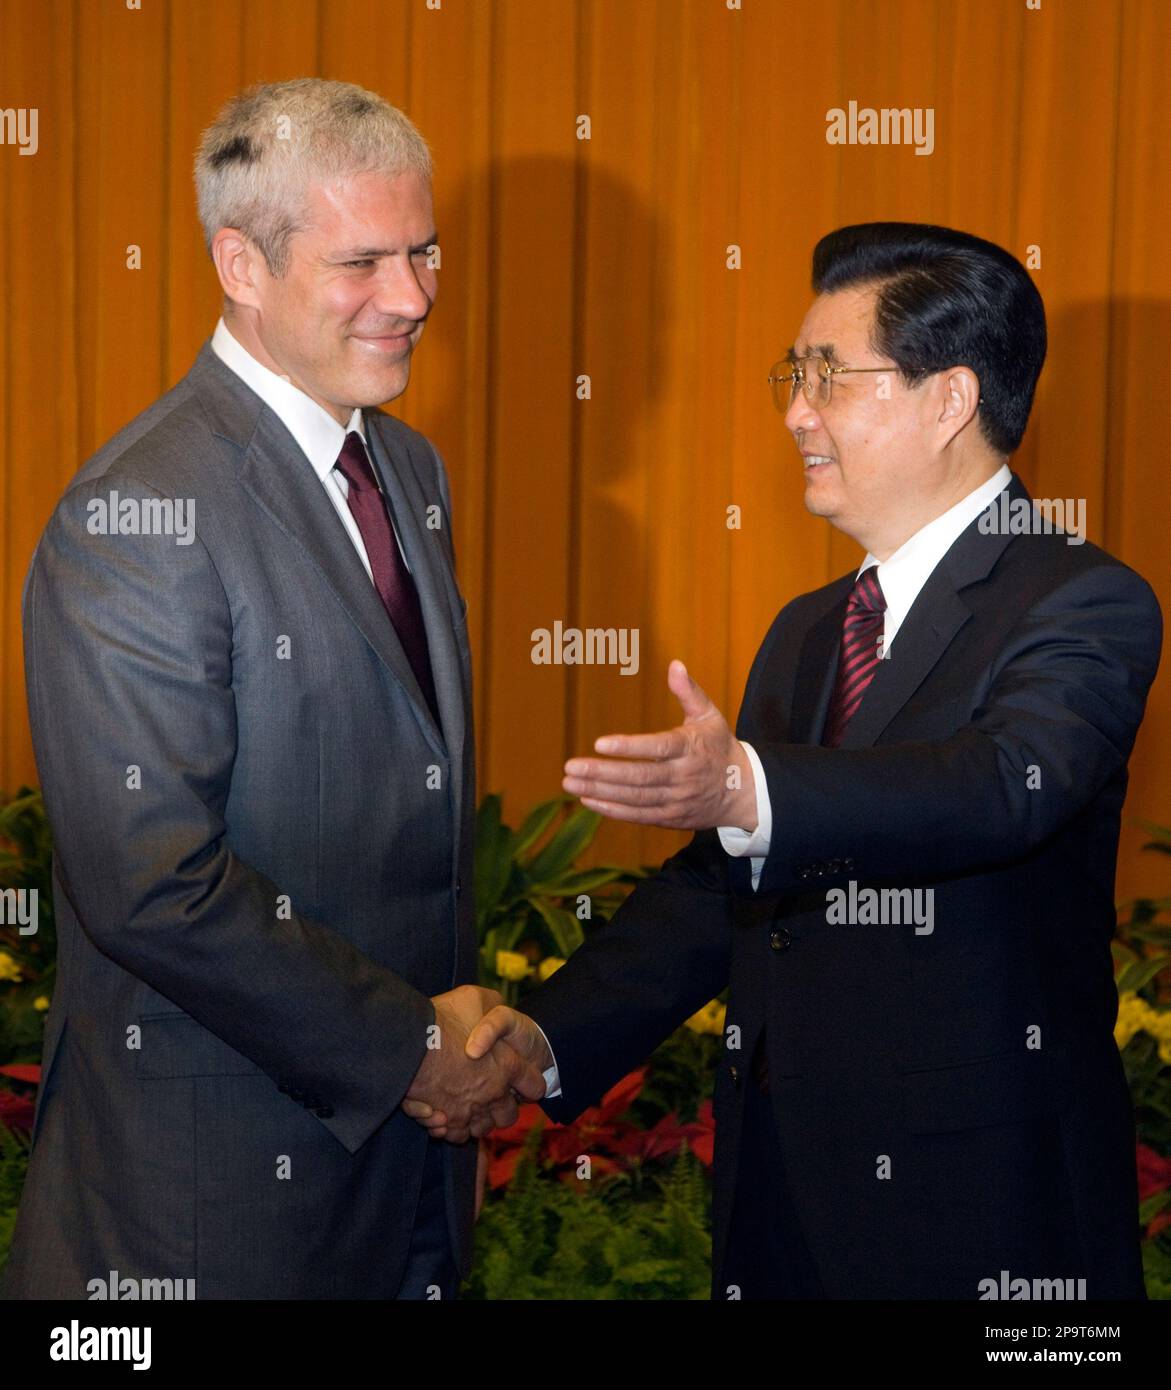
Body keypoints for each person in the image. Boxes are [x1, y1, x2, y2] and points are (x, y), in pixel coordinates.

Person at [412, 223, 1164, 1299]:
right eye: (791, 375)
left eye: (826, 378)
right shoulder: (810, 629)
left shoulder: (1079, 599)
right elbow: (728, 878)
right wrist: (543, 1039)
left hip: (980, 1219)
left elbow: (1002, 786)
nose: (793, 413)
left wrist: (742, 786)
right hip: (775, 1200)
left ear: (947, 399)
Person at [1, 78, 543, 1302]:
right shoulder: (134, 518)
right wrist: (412, 1049)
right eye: (362, 262)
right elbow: (153, 884)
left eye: (424, 250)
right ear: (239, 263)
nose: (411, 297)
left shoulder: (406, 464)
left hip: (405, 1180)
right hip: (213, 1205)